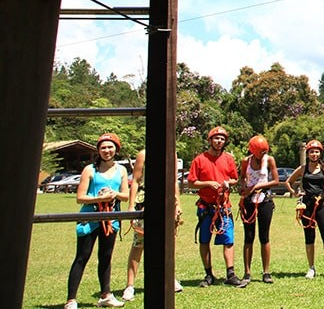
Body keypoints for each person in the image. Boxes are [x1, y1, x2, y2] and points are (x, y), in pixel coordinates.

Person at [64, 132, 129, 309]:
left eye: (110, 147)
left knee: (106, 257)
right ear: (98, 150)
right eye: (103, 148)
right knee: (82, 257)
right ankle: (71, 300)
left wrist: (114, 195)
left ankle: (105, 294)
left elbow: (126, 195)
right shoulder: (90, 170)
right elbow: (81, 197)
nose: (107, 151)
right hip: (89, 218)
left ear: (116, 149)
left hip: (111, 219)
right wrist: (100, 198)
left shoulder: (121, 170)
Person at [121, 149, 184, 301]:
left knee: (168, 243)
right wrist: (131, 206)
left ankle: (168, 278)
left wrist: (178, 204)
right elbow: (136, 180)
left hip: (167, 201)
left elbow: (174, 180)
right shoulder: (144, 154)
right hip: (145, 201)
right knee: (139, 244)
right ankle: (130, 285)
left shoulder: (172, 153)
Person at [187, 126, 244, 288]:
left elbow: (235, 178)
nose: (219, 142)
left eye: (222, 139)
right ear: (210, 140)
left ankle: (230, 273)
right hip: (206, 207)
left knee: (228, 240)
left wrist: (228, 183)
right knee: (204, 240)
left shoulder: (228, 159)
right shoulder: (199, 160)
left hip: (223, 206)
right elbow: (191, 183)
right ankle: (208, 274)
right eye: (216, 138)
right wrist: (207, 184)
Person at [285, 139, 324, 280]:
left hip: (321, 205)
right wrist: (295, 192)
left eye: (316, 152)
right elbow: (288, 182)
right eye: (312, 152)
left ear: (320, 153)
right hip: (307, 206)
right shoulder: (303, 169)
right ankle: (311, 268)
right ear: (308, 153)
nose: (314, 154)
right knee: (309, 236)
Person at [238, 135, 278, 285]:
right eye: (260, 152)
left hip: (264, 200)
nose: (262, 154)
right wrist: (243, 187)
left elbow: (275, 180)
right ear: (253, 150)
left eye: (264, 151)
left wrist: (255, 187)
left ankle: (266, 272)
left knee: (264, 236)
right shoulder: (245, 161)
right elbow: (242, 177)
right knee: (248, 236)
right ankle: (247, 272)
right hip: (249, 201)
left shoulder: (269, 160)